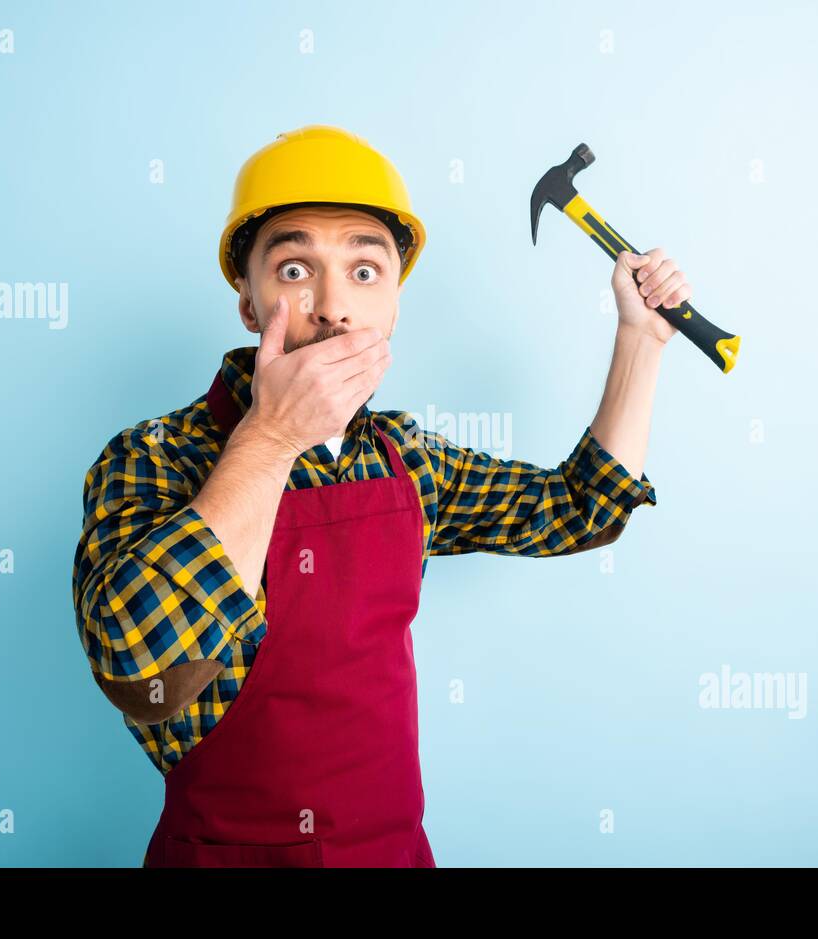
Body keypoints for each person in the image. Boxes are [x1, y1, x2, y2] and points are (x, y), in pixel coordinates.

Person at [71, 124, 689, 867]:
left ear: (395, 305)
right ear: (247, 298)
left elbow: (579, 507)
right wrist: (269, 439)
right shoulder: (154, 457)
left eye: (366, 272)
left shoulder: (408, 460)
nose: (334, 307)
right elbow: (139, 672)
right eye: (296, 269)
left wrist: (641, 340)